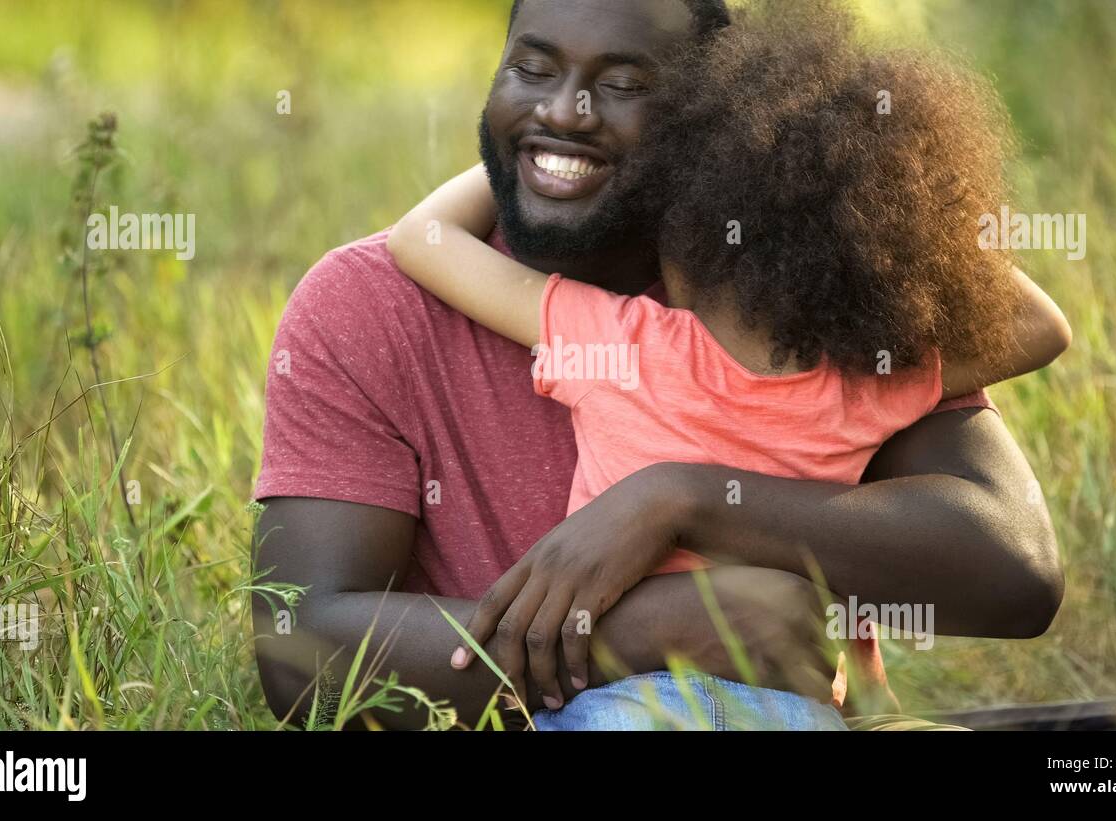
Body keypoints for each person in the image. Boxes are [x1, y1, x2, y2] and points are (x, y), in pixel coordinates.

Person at [252, 0, 1065, 731]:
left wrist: (683, 500)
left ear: (709, 129)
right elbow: (301, 648)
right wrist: (655, 626)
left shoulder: (800, 303)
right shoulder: (365, 307)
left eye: (626, 85)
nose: (562, 110)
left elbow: (1016, 572)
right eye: (529, 71)